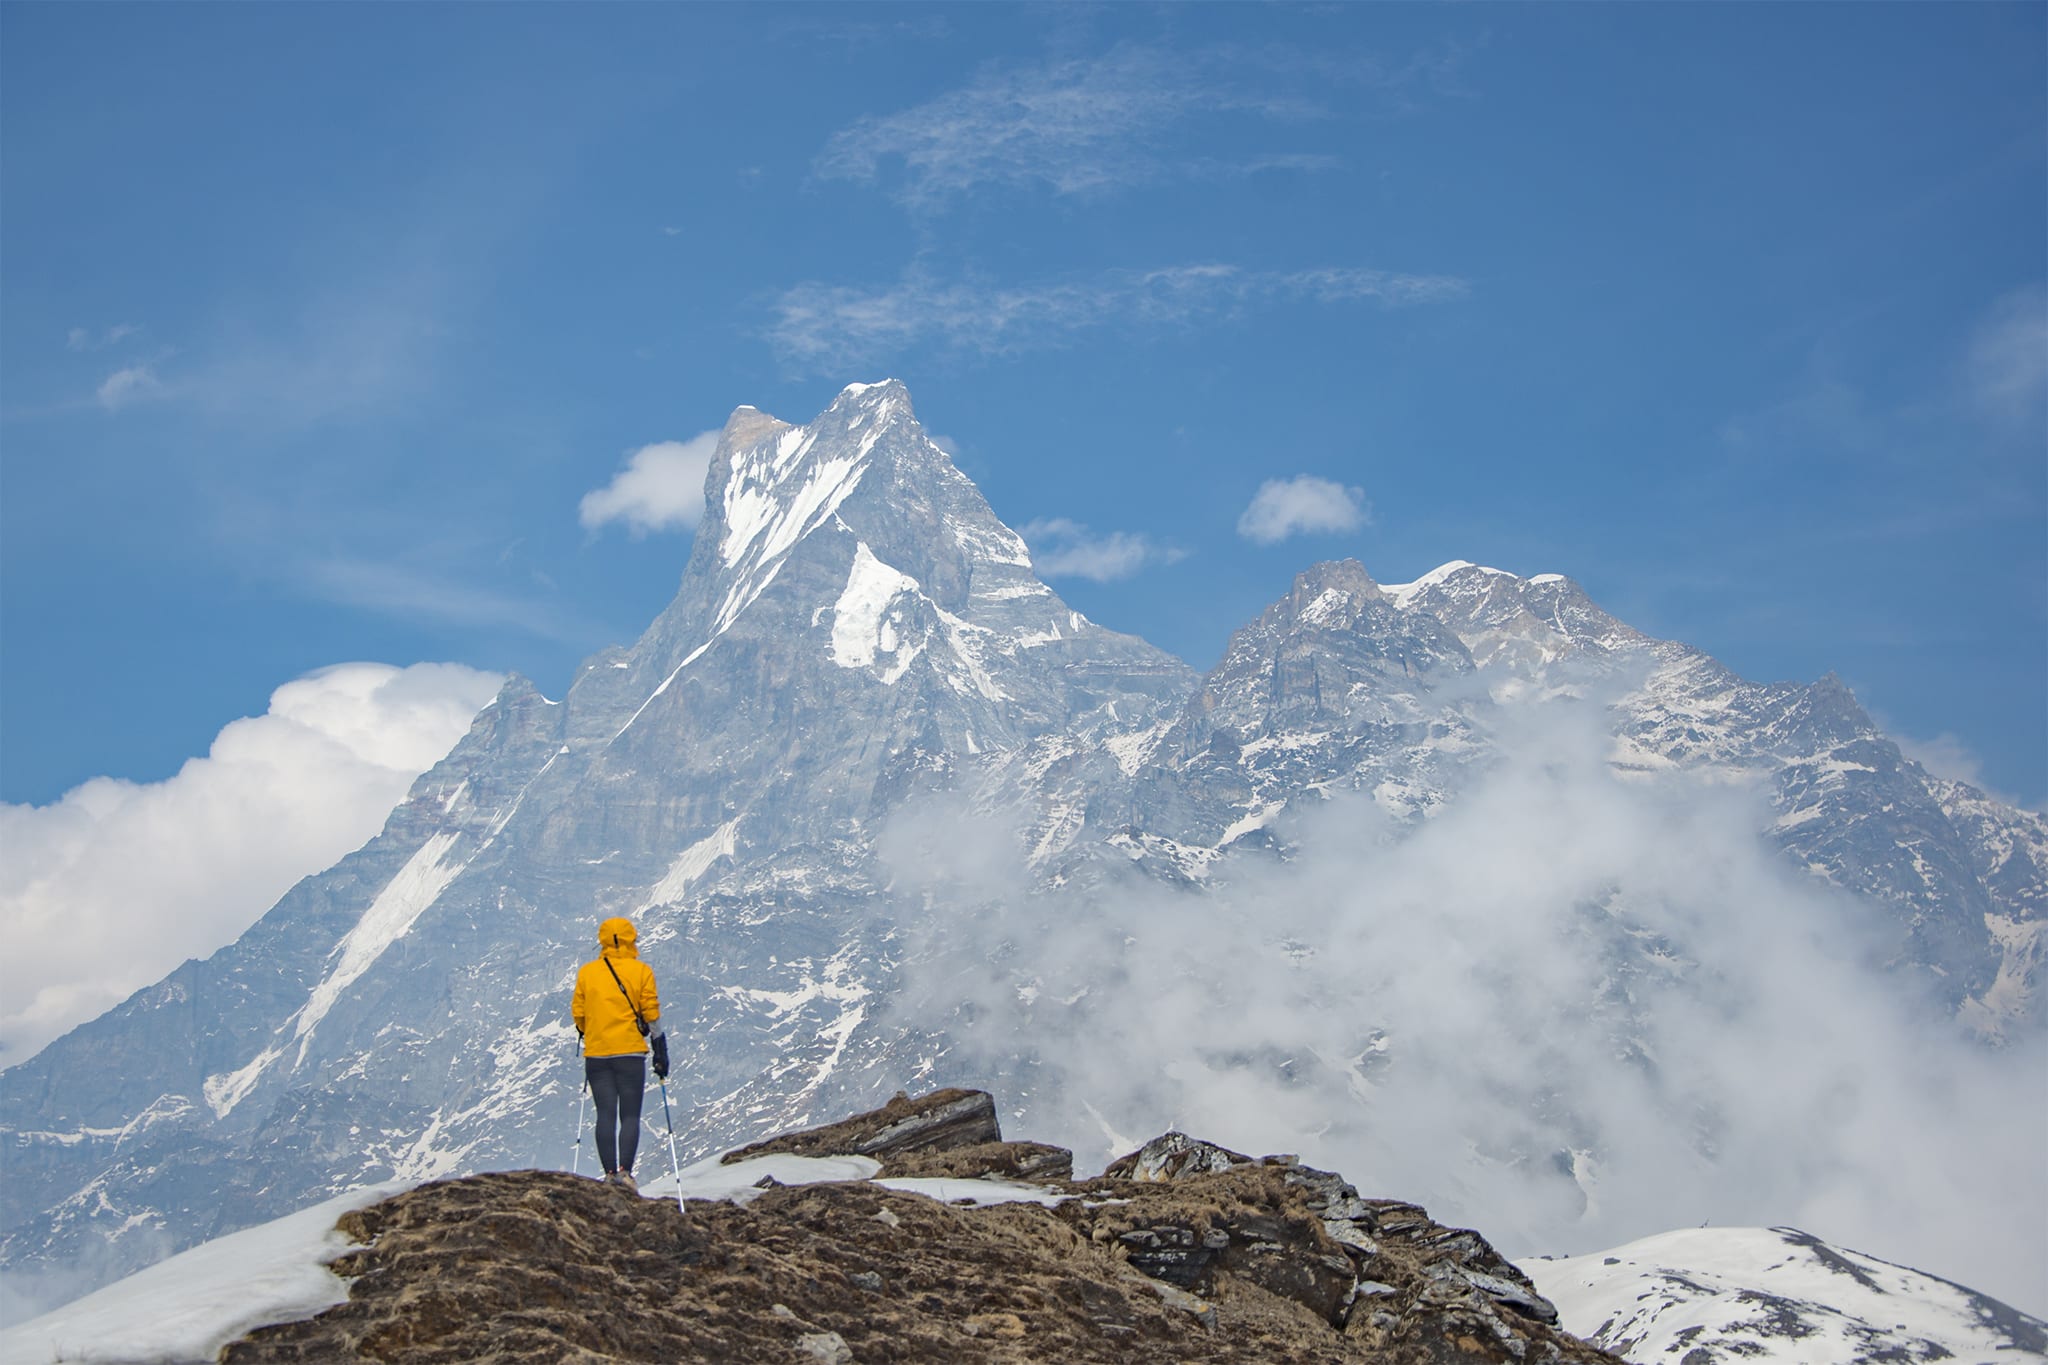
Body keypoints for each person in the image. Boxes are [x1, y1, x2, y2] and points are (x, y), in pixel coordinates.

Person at [571, 915, 669, 1192]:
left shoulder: (587, 973)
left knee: (604, 1114)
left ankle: (608, 1173)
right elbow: (651, 1012)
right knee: (629, 1115)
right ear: (631, 940)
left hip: (597, 1053)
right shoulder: (641, 971)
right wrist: (659, 1045)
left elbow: (579, 1014)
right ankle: (625, 1173)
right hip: (630, 1053)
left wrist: (592, 1029)